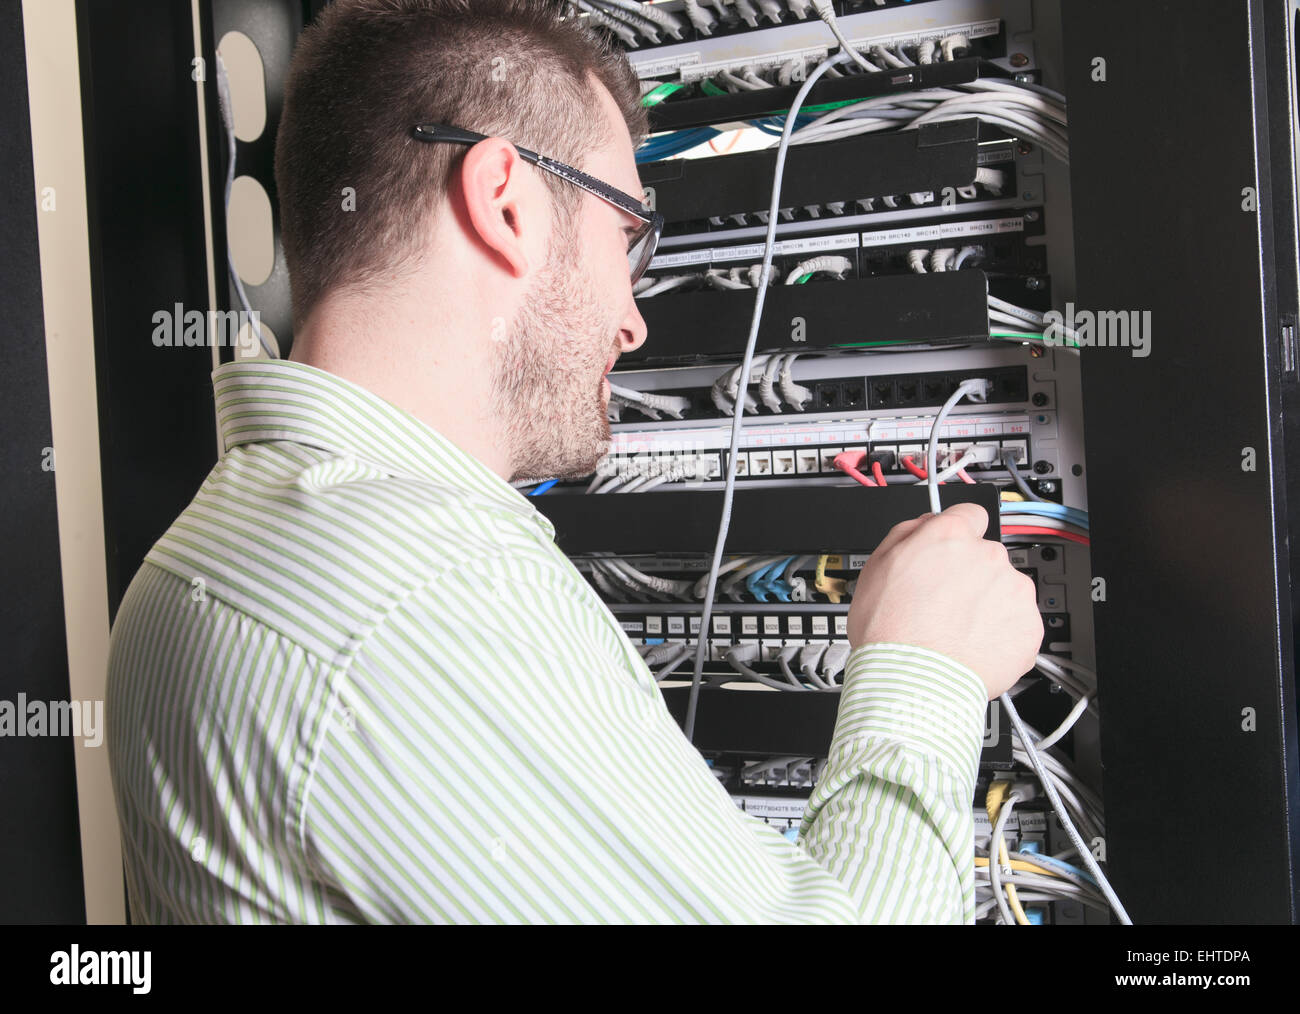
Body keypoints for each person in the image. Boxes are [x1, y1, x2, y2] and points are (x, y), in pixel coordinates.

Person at [105, 0, 1042, 923]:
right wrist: (926, 666)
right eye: (626, 235)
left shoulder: (191, 562)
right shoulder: (424, 601)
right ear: (505, 202)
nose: (634, 321)